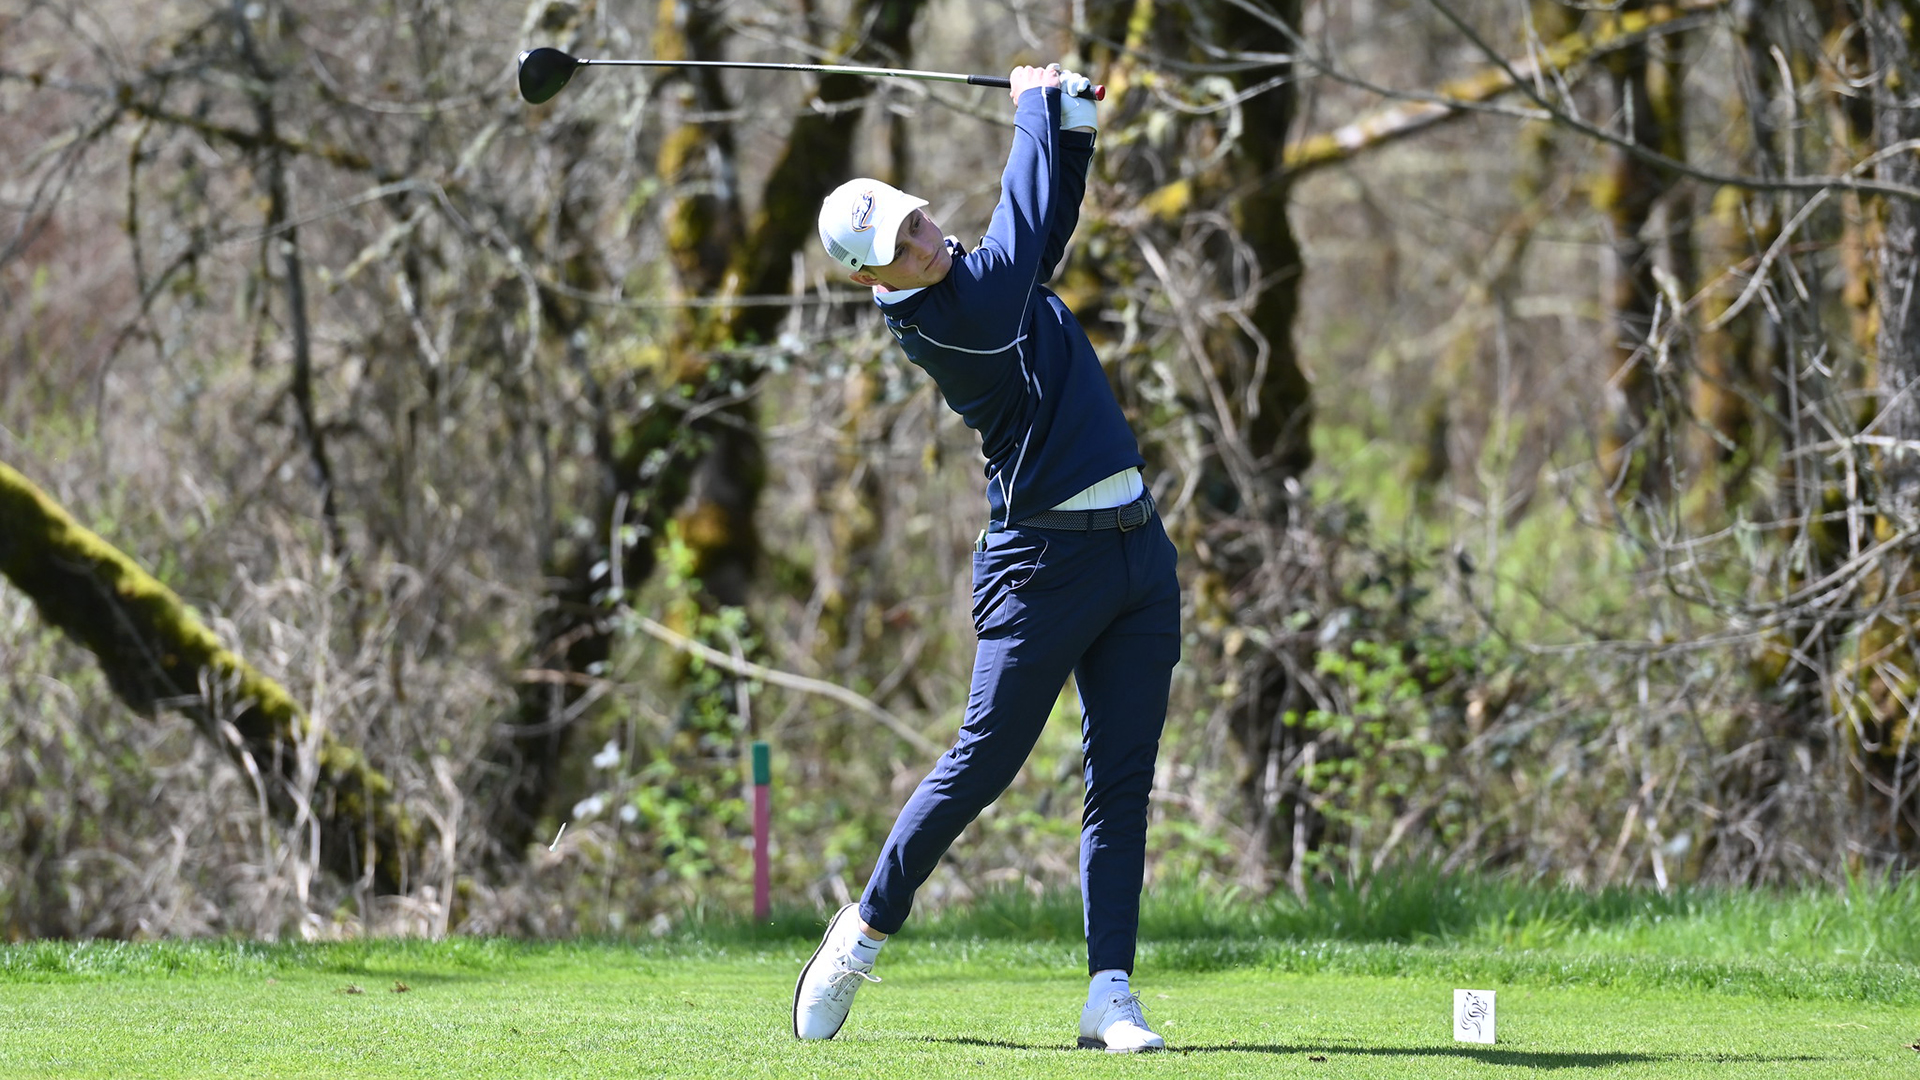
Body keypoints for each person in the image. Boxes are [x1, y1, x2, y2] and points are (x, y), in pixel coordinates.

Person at [794, 63, 1180, 1053]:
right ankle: (861, 934)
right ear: (873, 281)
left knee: (1121, 779)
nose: (927, 238)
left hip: (1137, 552)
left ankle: (1110, 994)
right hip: (1043, 569)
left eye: (919, 220)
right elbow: (1024, 216)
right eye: (901, 247)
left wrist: (1075, 115)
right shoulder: (953, 317)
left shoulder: (977, 279)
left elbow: (1047, 216)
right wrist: (1031, 108)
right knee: (982, 765)